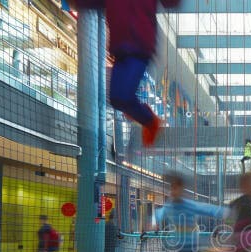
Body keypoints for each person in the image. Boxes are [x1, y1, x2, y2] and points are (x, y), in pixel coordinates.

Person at [71, 0, 183, 147]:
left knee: (123, 97)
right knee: (116, 99)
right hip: (120, 49)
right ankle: (146, 117)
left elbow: (171, 3)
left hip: (140, 48)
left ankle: (150, 120)